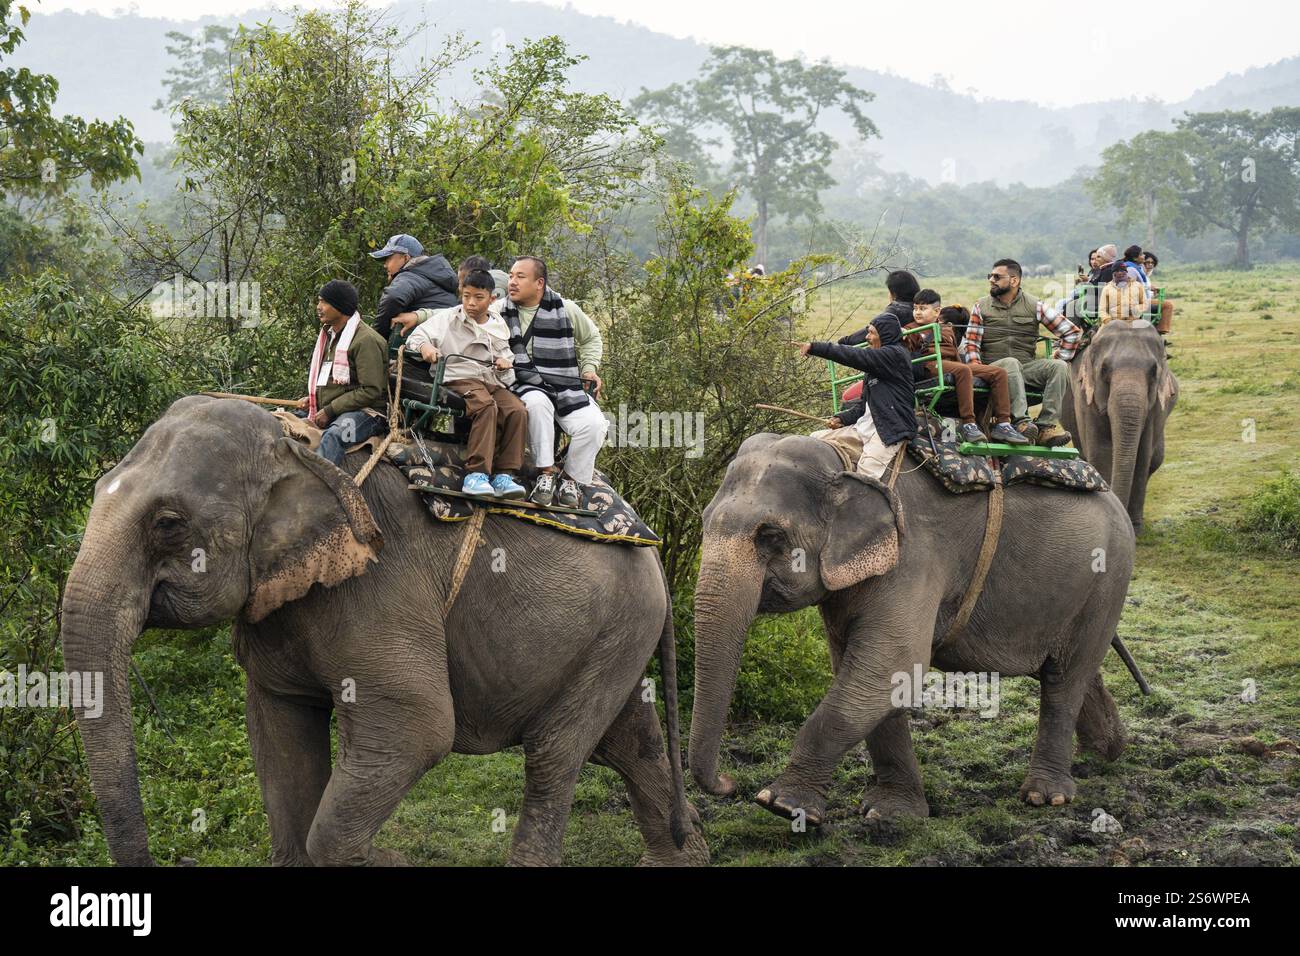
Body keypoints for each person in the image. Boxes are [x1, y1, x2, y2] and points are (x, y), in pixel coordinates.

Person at [405, 269, 527, 498]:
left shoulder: (498, 323)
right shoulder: (448, 318)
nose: (471, 303)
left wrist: (504, 361)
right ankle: (477, 474)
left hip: (490, 379)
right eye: (466, 296)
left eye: (478, 297)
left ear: (492, 299)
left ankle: (504, 474)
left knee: (517, 409)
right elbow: (416, 337)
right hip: (457, 375)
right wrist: (426, 348)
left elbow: (506, 354)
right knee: (485, 406)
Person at [501, 255, 609, 508]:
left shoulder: (565, 307)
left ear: (539, 283)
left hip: (564, 384)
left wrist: (589, 369)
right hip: (524, 383)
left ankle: (570, 479)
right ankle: (545, 474)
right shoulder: (500, 309)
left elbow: (592, 338)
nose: (512, 282)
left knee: (595, 425)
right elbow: (460, 312)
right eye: (510, 276)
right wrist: (419, 317)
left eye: (520, 277)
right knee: (537, 404)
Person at [962, 259, 1080, 447]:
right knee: (1010, 362)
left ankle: (1045, 427)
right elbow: (971, 344)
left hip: (1025, 367)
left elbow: (1071, 332)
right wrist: (978, 369)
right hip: (993, 369)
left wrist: (1061, 355)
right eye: (990, 276)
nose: (991, 280)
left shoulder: (1035, 305)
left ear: (1014, 280)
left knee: (1059, 366)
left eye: (997, 277)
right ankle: (1021, 422)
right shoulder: (981, 306)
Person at [794, 313, 916, 480]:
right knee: (814, 440)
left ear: (885, 336)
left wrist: (815, 347)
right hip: (863, 428)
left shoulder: (895, 355)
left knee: (866, 474)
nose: (867, 337)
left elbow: (854, 355)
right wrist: (841, 418)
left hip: (889, 429)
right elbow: (863, 406)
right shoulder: (877, 365)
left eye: (872, 333)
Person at [902, 290, 1027, 445]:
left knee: (998, 373)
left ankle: (1003, 424)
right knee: (963, 370)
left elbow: (954, 353)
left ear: (936, 311)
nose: (917, 312)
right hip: (931, 364)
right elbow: (905, 339)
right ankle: (969, 423)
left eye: (922, 308)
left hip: (951, 364)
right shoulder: (912, 329)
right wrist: (903, 333)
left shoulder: (946, 329)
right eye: (915, 308)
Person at [297, 280, 389, 468]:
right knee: (285, 423)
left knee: (334, 436)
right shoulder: (329, 336)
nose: (318, 307)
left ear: (340, 307)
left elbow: (370, 390)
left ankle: (322, 491)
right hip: (339, 408)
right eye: (319, 301)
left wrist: (330, 410)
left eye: (324, 302)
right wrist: (314, 399)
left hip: (368, 414)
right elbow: (335, 382)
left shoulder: (366, 341)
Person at [369, 233, 459, 339]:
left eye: (388, 258)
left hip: (423, 346)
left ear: (406, 258)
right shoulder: (432, 276)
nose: (385, 265)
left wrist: (378, 337)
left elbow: (393, 297)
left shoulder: (409, 275)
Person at [392, 255, 505, 338]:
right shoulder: (460, 304)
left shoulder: (498, 315)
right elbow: (452, 313)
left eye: (462, 284)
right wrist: (418, 316)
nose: (459, 288)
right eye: (461, 285)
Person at [1143, 251, 1174, 335]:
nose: (1150, 265)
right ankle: (1161, 329)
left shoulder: (1145, 276)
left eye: (1152, 263)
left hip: (1145, 300)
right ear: (1142, 263)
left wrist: (1153, 292)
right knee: (1168, 305)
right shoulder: (1140, 275)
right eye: (1147, 262)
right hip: (1142, 301)